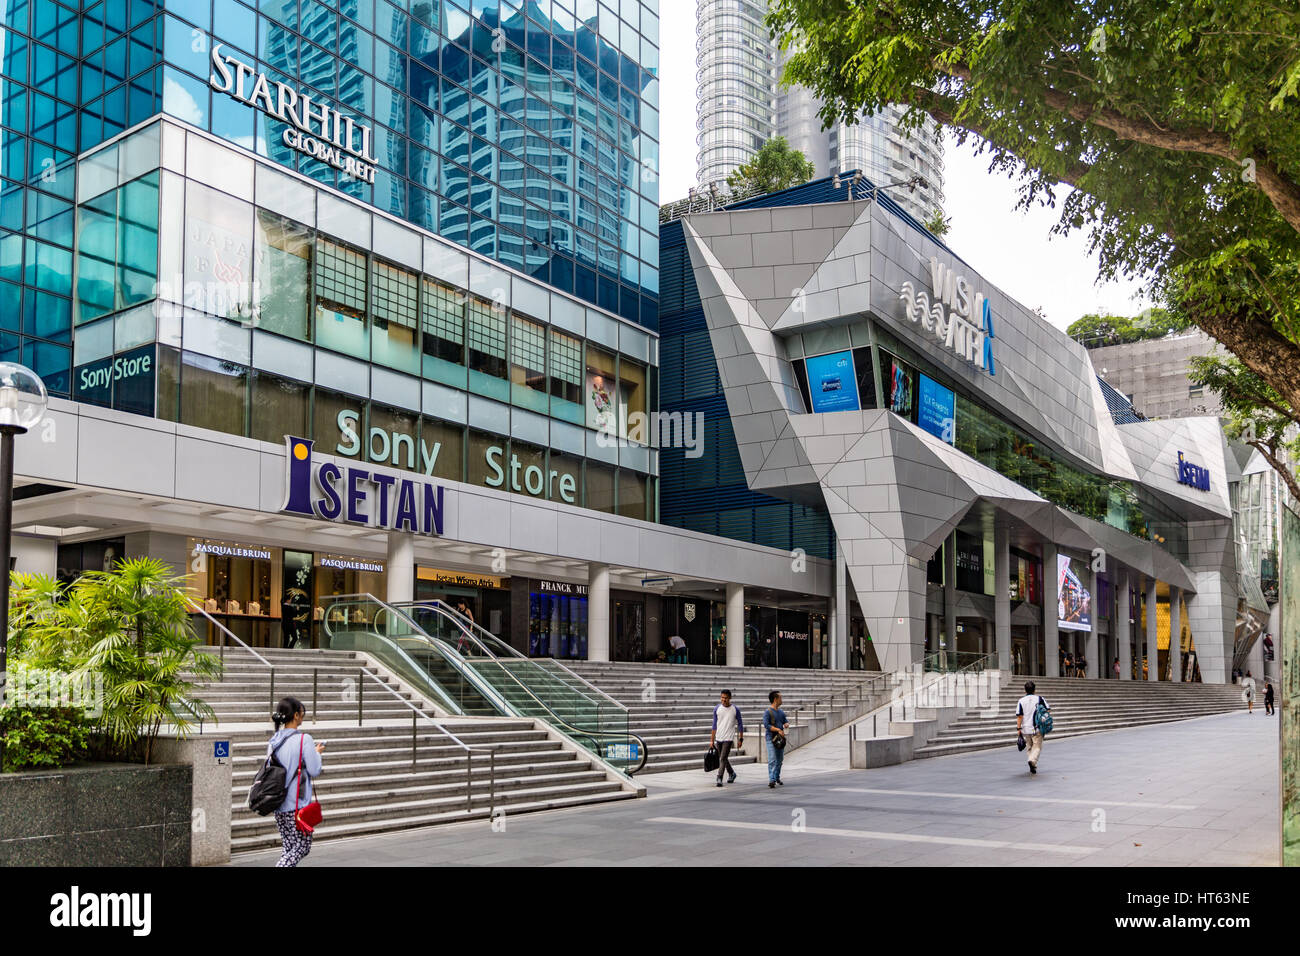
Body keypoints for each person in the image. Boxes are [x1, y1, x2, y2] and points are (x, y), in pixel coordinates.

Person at [267, 696, 324, 867]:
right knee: (302, 847)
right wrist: (317, 753)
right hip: (296, 806)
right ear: (296, 715)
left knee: (289, 847)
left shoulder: (274, 740)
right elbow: (315, 770)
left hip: (278, 804)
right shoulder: (304, 739)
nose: (303, 715)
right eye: (302, 712)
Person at [709, 689, 743, 787]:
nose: (723, 700)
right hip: (719, 736)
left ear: (730, 698)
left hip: (728, 738)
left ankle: (719, 777)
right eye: (722, 697)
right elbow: (714, 725)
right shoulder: (717, 708)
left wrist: (741, 738)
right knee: (723, 758)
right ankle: (732, 773)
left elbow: (740, 724)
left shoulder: (735, 709)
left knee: (723, 758)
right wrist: (711, 740)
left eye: (726, 698)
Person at [1015, 680, 1050, 775]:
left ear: (1025, 690)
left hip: (1025, 729)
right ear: (1034, 689)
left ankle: (1033, 765)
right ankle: (1032, 760)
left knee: (1029, 746)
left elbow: (1019, 716)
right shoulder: (1039, 699)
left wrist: (1018, 729)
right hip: (1037, 728)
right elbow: (1048, 710)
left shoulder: (1021, 701)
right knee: (1037, 746)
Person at [762, 691, 789, 789]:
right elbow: (766, 725)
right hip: (771, 738)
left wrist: (786, 724)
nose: (782, 699)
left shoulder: (781, 712)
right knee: (772, 759)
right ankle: (772, 779)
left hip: (780, 739)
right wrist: (778, 729)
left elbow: (785, 721)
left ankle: (777, 776)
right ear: (775, 699)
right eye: (780, 698)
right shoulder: (767, 712)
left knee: (780, 759)